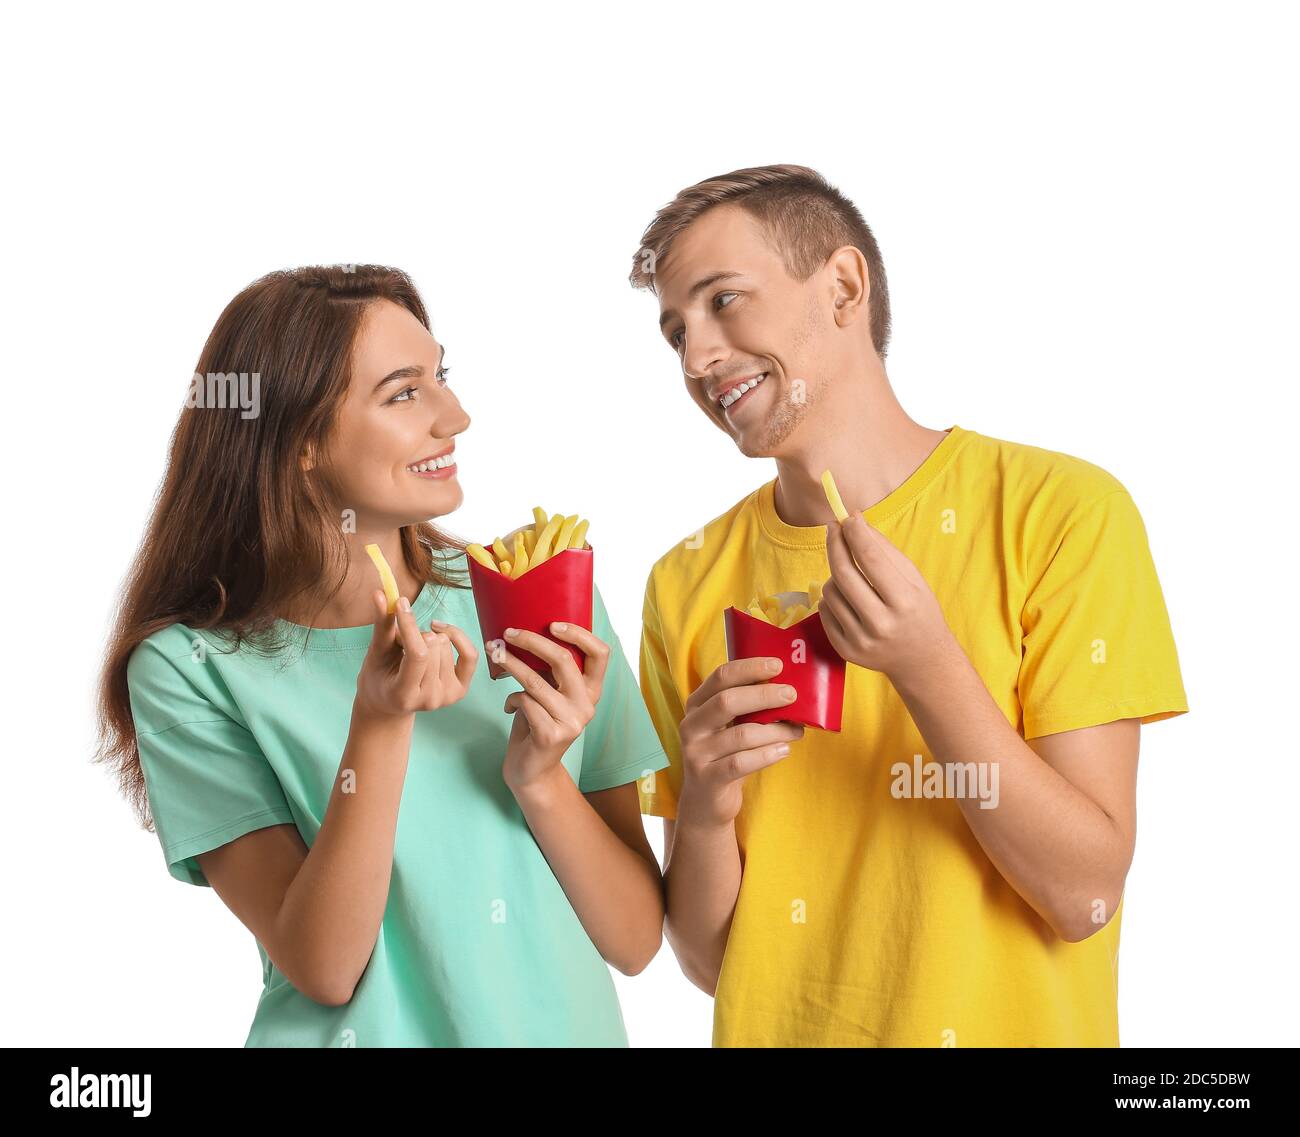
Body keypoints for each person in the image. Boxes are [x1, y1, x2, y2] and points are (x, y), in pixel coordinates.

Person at [627, 165, 1188, 1047]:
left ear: (843, 287)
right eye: (676, 333)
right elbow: (710, 962)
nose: (697, 358)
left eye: (724, 301)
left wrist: (927, 666)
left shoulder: (1060, 513)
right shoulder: (683, 582)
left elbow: (1085, 896)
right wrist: (704, 801)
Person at [95, 265, 670, 1047]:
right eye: (405, 393)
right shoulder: (188, 667)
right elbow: (325, 966)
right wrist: (378, 721)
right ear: (298, 442)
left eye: (443, 378)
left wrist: (540, 778)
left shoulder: (538, 593)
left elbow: (635, 940)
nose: (455, 416)